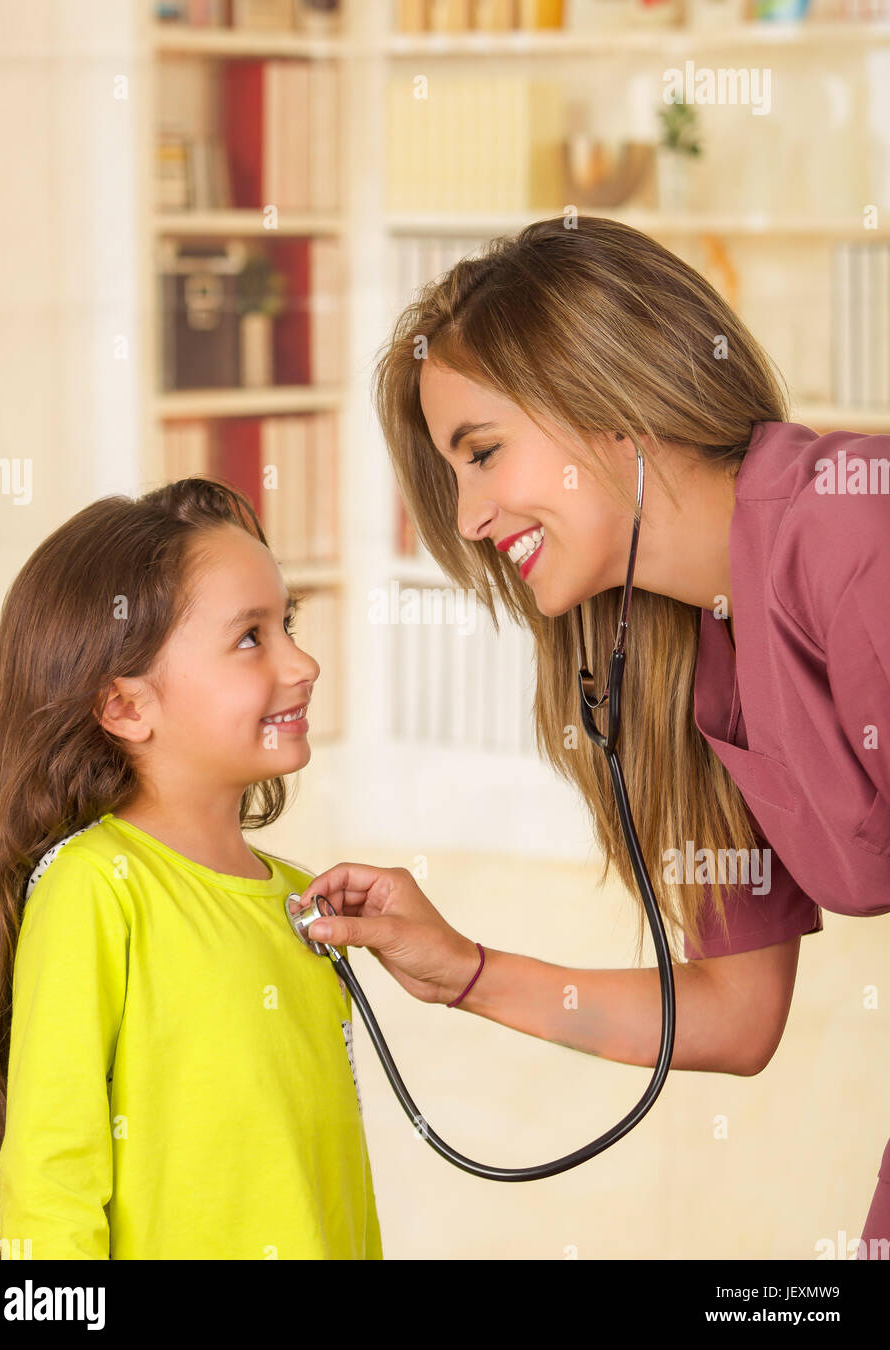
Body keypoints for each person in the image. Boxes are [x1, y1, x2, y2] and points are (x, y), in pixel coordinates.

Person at [298, 215, 890, 1259]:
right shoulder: (696, 653)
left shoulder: (855, 540)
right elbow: (733, 1015)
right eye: (454, 477)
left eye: (483, 454)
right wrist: (464, 969)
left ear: (611, 402)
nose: (471, 517)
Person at [0, 479, 383, 1259]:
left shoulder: (301, 904)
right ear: (125, 707)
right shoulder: (95, 888)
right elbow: (52, 1183)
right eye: (251, 637)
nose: (304, 662)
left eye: (286, 623)